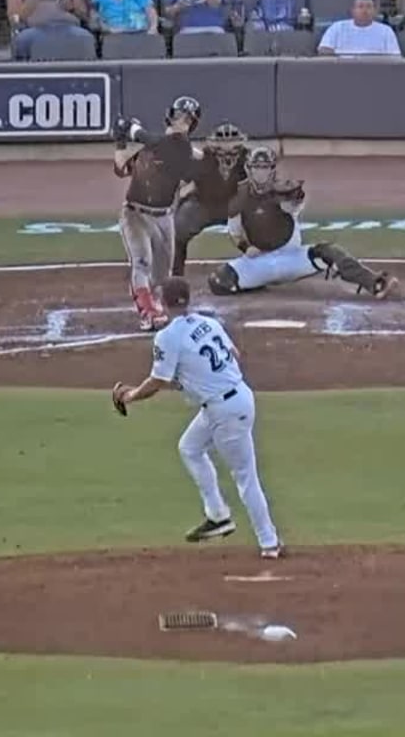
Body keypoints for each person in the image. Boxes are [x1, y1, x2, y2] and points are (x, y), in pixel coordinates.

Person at [110, 276, 284, 560]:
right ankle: (218, 515)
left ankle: (269, 542)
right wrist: (192, 378)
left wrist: (129, 396)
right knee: (189, 448)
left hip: (225, 410)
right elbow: (233, 354)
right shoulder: (208, 322)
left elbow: (157, 381)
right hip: (234, 398)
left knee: (245, 477)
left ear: (162, 302)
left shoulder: (167, 336)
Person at [206, 144, 399, 299]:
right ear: (249, 169)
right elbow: (234, 229)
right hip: (259, 261)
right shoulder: (239, 195)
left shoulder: (285, 192)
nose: (261, 173)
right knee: (218, 281)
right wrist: (245, 247)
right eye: (257, 168)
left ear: (272, 170)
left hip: (291, 257)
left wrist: (292, 200)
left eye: (265, 168)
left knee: (329, 251)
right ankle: (257, 283)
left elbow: (294, 205)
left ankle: (374, 282)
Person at [111, 96, 203, 330]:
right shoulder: (151, 149)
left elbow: (155, 141)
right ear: (170, 115)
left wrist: (131, 128)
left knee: (162, 276)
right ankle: (147, 312)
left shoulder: (182, 148)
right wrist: (120, 142)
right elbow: (120, 168)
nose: (182, 120)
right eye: (180, 115)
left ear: (192, 125)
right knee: (142, 262)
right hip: (135, 215)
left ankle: (152, 300)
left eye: (188, 118)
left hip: (164, 218)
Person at [171, 121, 249, 278]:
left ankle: (261, 267)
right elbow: (177, 185)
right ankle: (175, 276)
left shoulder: (249, 160)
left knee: (259, 223)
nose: (227, 156)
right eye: (222, 150)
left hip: (235, 206)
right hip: (203, 204)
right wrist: (170, 212)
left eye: (233, 150)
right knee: (178, 227)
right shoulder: (202, 160)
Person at [316, 0, 401, 57]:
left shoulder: (386, 31)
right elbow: (323, 51)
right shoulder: (337, 27)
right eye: (360, 6)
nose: (365, 10)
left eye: (369, 7)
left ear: (375, 11)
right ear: (353, 10)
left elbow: (395, 58)